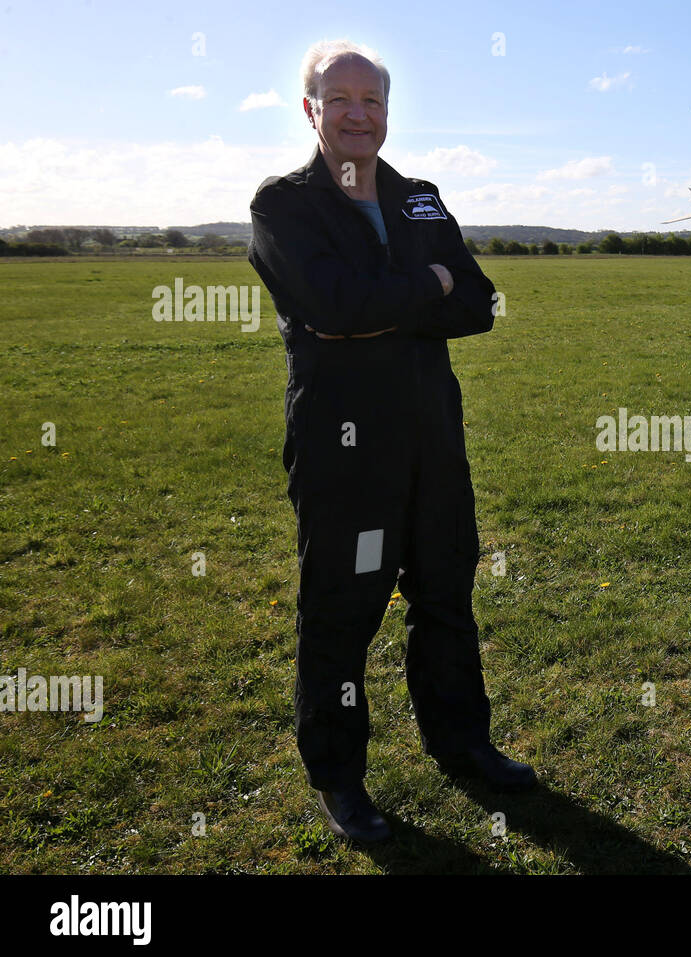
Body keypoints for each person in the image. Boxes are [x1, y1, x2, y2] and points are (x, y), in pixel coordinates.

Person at [248, 39, 536, 844]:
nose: (356, 114)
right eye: (338, 99)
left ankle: (463, 743)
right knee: (342, 613)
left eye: (371, 100)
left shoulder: (419, 197)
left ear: (387, 111)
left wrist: (394, 302)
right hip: (346, 455)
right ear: (310, 110)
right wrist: (425, 289)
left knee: (445, 595)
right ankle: (340, 778)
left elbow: (477, 302)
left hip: (432, 442)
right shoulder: (283, 206)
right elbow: (332, 308)